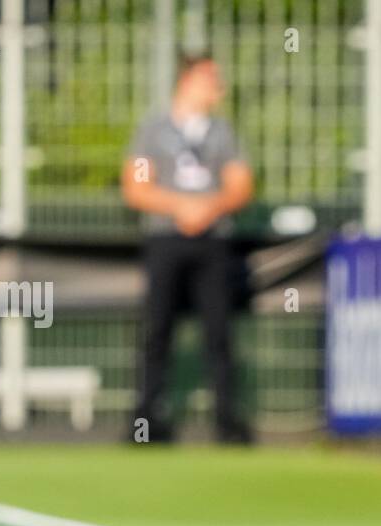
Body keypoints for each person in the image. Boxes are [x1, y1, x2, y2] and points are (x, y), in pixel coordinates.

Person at [122, 54, 254, 444]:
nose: (219, 87)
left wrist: (207, 208)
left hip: (212, 242)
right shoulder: (153, 130)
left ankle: (228, 423)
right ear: (188, 80)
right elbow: (136, 187)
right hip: (165, 240)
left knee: (218, 332)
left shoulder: (222, 133)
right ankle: (146, 421)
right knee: (157, 329)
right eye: (211, 79)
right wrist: (180, 206)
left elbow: (239, 185)